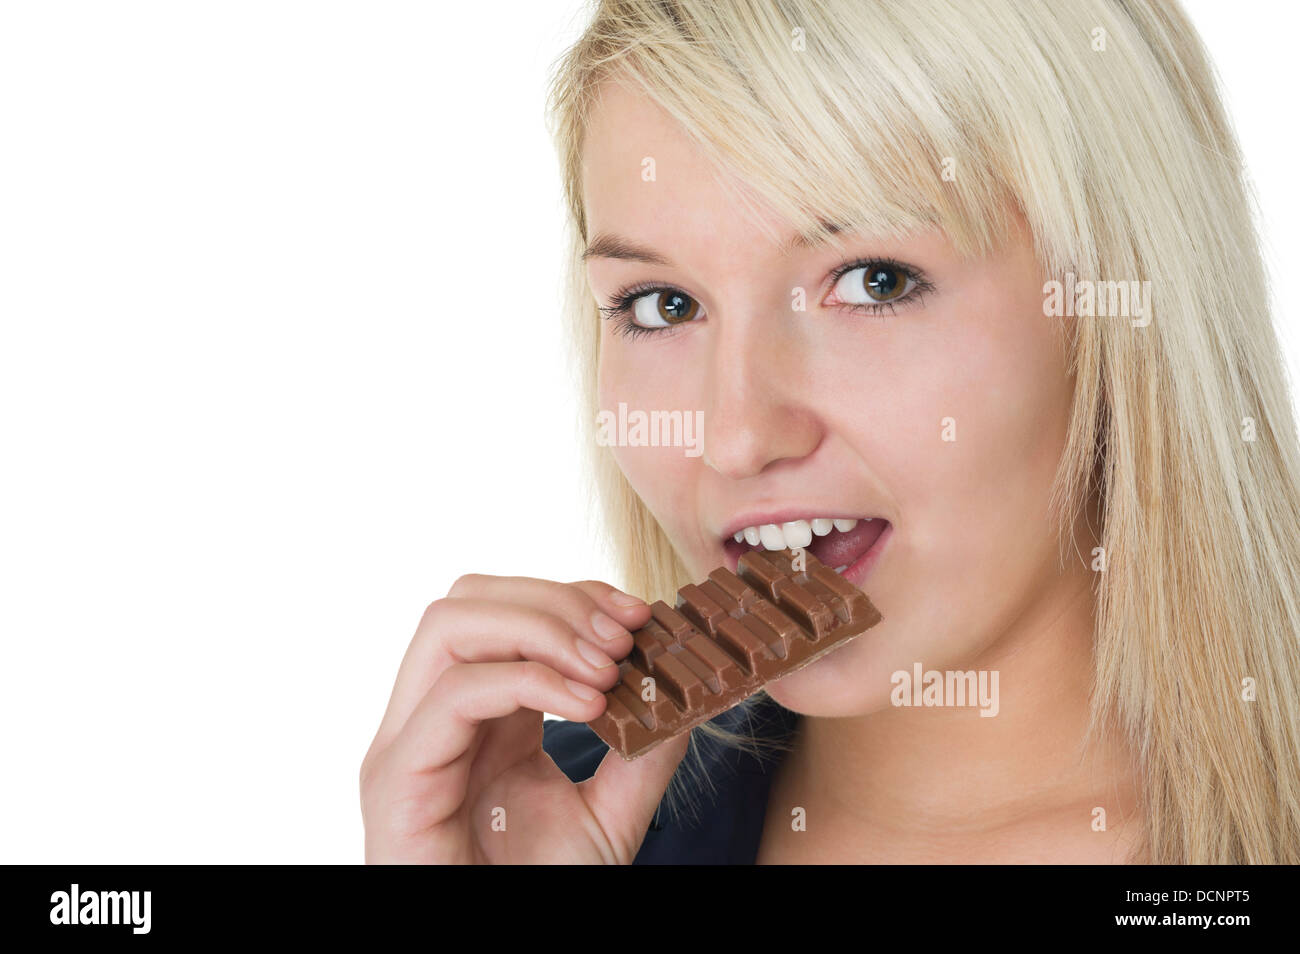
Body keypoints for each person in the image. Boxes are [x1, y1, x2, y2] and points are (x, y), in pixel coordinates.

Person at [360, 0, 1300, 864]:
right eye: (663, 303)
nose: (734, 436)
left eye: (873, 282)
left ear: (1113, 308)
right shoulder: (540, 812)